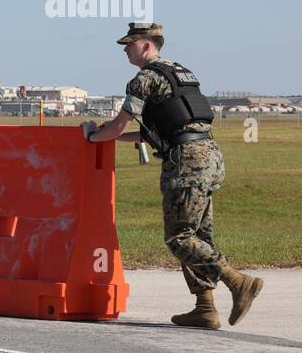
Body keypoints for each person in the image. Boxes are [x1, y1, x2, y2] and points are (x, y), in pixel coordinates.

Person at [84, 22, 263, 329]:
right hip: (208, 156)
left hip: (186, 162)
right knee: (198, 235)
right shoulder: (180, 73)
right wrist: (111, 137)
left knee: (179, 237)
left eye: (129, 44)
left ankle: (238, 282)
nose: (125, 50)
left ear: (146, 44)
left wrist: (91, 136)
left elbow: (117, 127)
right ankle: (205, 307)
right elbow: (153, 131)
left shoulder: (145, 79)